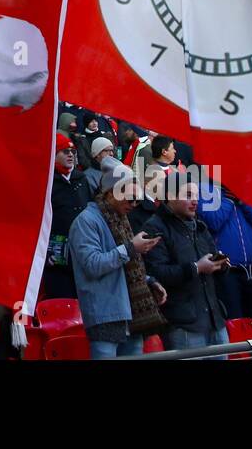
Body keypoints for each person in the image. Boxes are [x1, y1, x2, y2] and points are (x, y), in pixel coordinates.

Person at [68, 163, 166, 358]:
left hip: (132, 316)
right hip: (105, 315)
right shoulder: (86, 221)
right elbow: (92, 265)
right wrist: (131, 248)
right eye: (130, 198)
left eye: (137, 200)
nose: (133, 205)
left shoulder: (120, 219)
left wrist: (148, 281)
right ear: (110, 192)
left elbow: (125, 268)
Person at [143, 174, 229, 353]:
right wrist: (196, 268)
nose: (195, 201)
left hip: (215, 320)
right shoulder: (155, 227)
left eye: (196, 196)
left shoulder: (199, 226)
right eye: (188, 195)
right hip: (184, 325)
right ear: (170, 196)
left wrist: (220, 265)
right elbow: (157, 272)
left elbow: (211, 259)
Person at [198, 183, 252, 322]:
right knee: (234, 323)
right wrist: (229, 199)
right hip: (227, 271)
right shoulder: (204, 189)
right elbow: (213, 221)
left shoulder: (244, 189)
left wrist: (242, 198)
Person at [43, 132, 91, 300]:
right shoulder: (47, 182)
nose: (70, 154)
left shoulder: (82, 179)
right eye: (64, 151)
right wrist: (46, 254)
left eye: (72, 151)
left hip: (83, 252)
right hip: (57, 257)